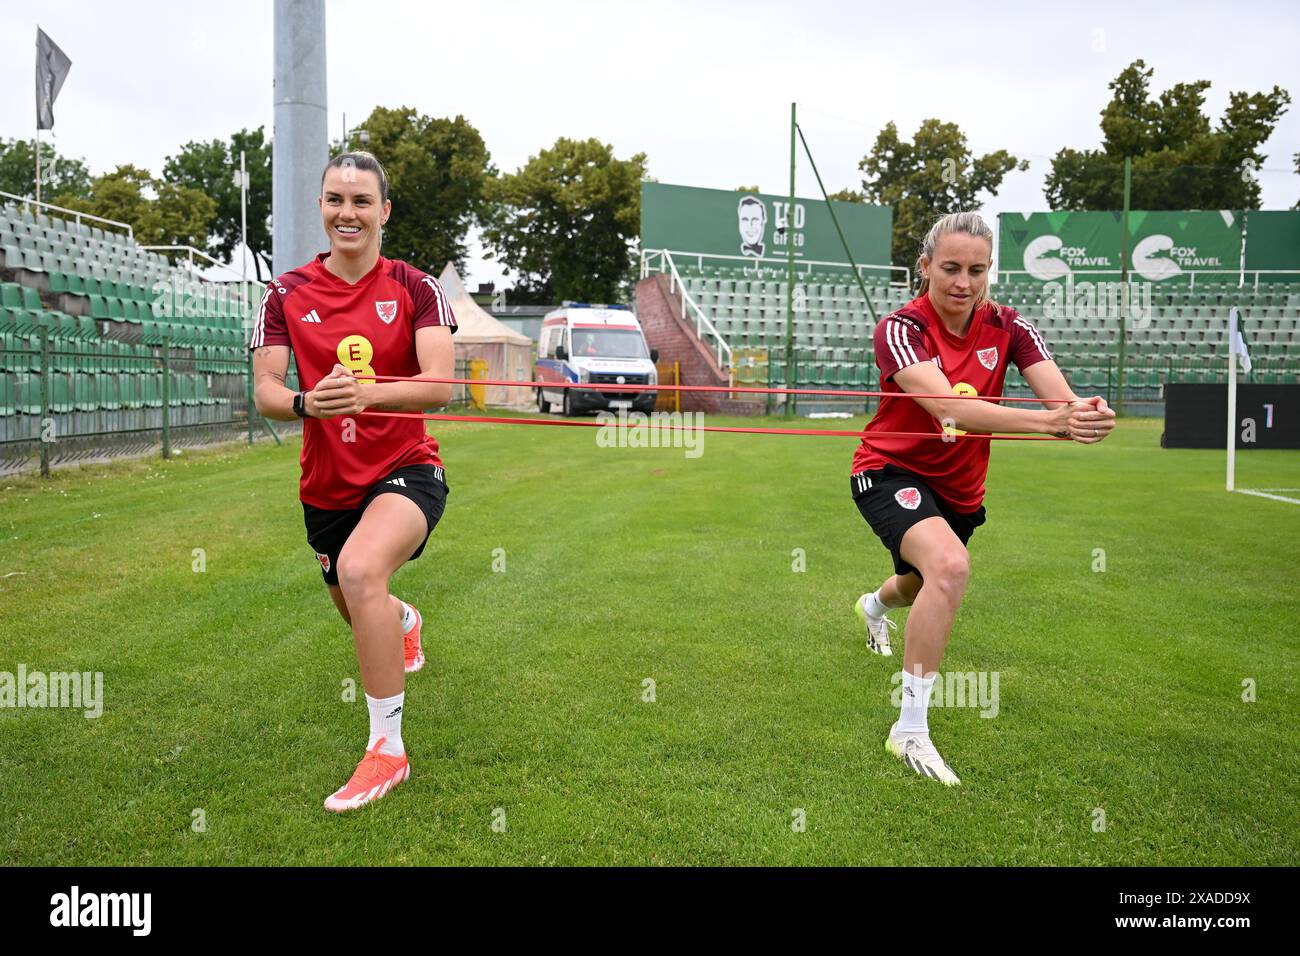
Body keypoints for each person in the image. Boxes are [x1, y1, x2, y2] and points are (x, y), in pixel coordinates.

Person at [850, 211, 1115, 786]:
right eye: (949, 268)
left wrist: (1083, 415)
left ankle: (873, 605)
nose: (963, 282)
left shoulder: (1011, 327)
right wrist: (1049, 426)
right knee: (949, 567)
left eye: (976, 269)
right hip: (889, 470)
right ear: (925, 267)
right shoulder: (900, 328)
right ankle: (910, 730)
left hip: (960, 491)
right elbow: (947, 408)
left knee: (918, 584)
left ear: (989, 270)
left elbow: (1059, 400)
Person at [248, 151, 457, 811]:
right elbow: (266, 391)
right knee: (360, 604)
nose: (348, 212)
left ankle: (386, 751)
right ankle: (404, 620)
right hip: (327, 487)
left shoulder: (417, 287)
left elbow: (439, 387)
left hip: (408, 469)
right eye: (336, 199)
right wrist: (312, 403)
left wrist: (370, 394)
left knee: (364, 572)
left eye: (362, 201)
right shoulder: (284, 293)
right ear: (320, 207)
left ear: (384, 211)